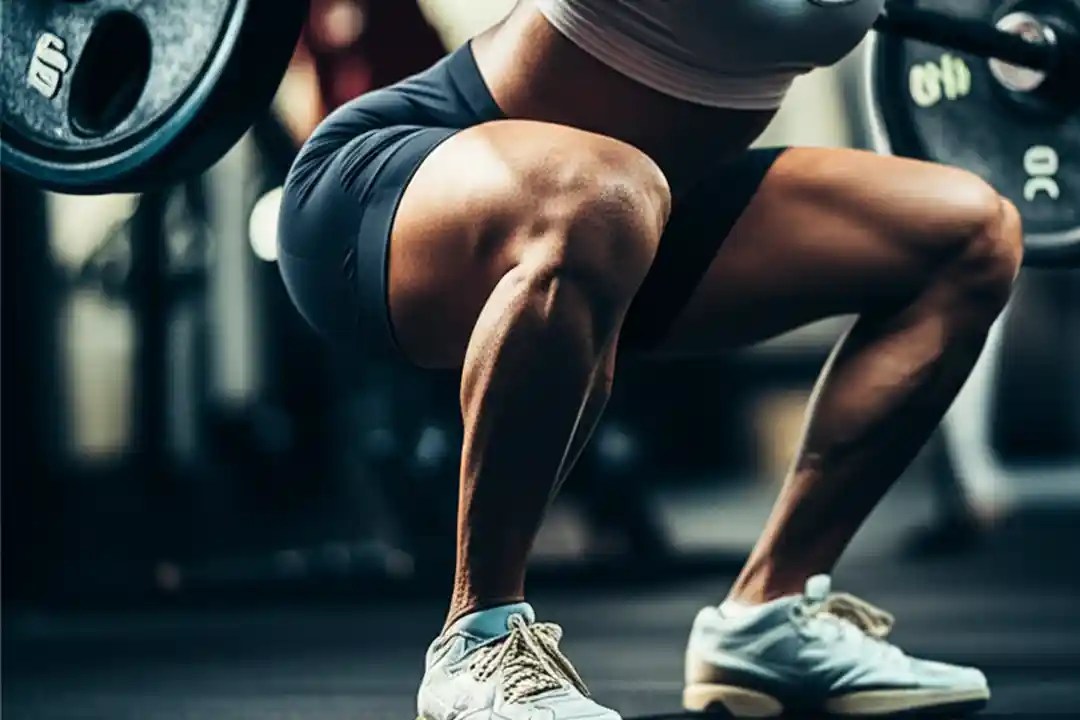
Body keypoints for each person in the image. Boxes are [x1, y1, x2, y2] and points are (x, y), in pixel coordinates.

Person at [277, 0, 1022, 717]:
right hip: (400, 187)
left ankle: (769, 614)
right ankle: (479, 640)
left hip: (647, 213)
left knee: (970, 233)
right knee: (606, 197)